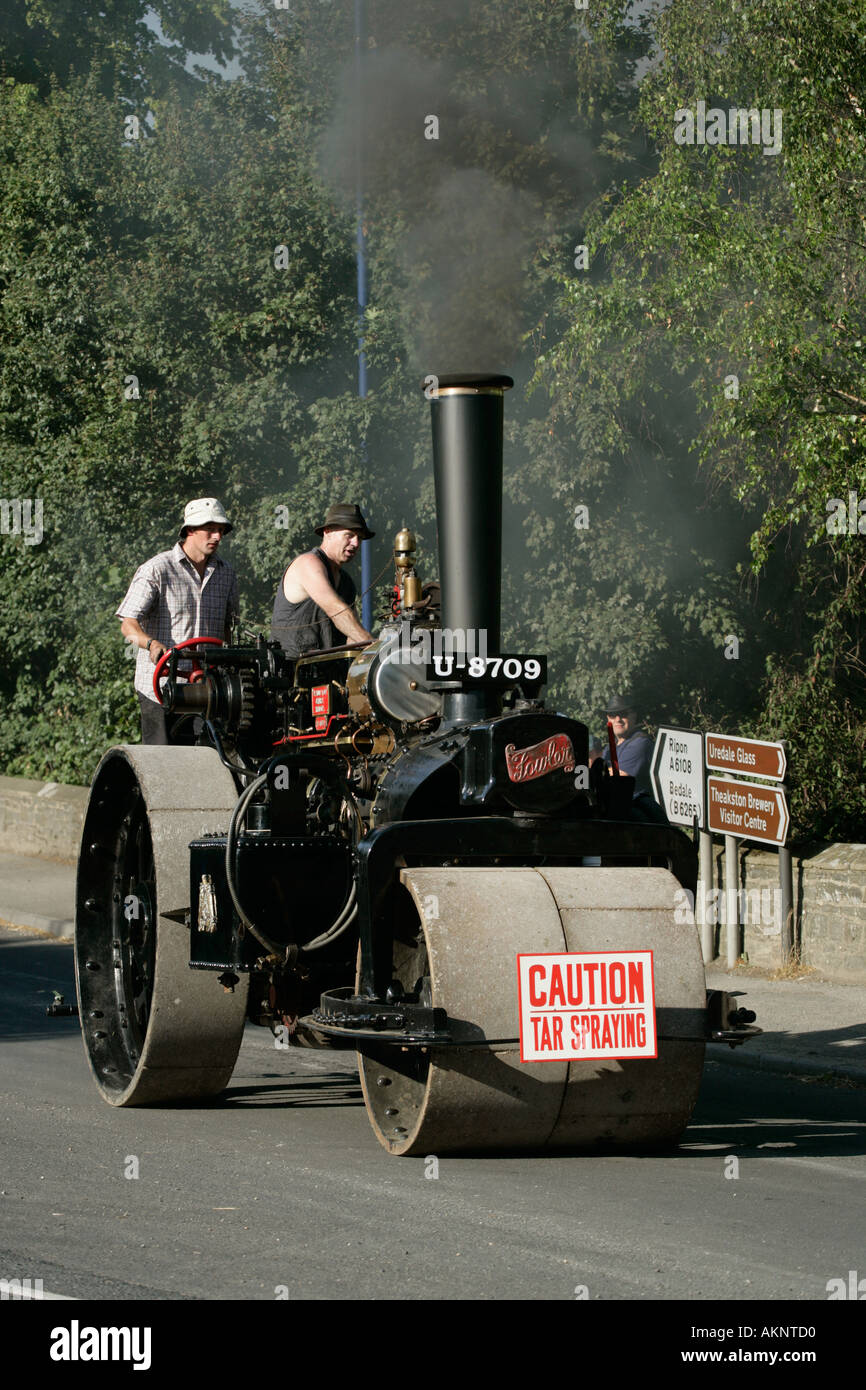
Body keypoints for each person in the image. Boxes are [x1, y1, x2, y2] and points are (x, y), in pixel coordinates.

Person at [116, 497, 239, 744]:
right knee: (161, 763)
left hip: (206, 690)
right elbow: (128, 624)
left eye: (221, 530)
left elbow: (228, 627)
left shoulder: (227, 574)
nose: (217, 536)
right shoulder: (157, 569)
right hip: (160, 688)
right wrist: (152, 645)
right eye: (210, 530)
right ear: (190, 530)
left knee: (206, 760)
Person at [271, 503, 374, 659]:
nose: (356, 543)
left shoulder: (347, 583)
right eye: (349, 535)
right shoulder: (308, 563)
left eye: (359, 538)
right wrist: (373, 646)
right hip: (291, 675)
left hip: (328, 675)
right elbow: (336, 610)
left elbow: (352, 634)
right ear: (328, 532)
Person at [602, 694, 654, 797]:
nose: (618, 719)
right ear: (608, 719)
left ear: (634, 715)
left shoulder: (640, 743)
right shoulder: (609, 748)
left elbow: (618, 778)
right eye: (612, 715)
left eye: (623, 713)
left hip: (636, 808)